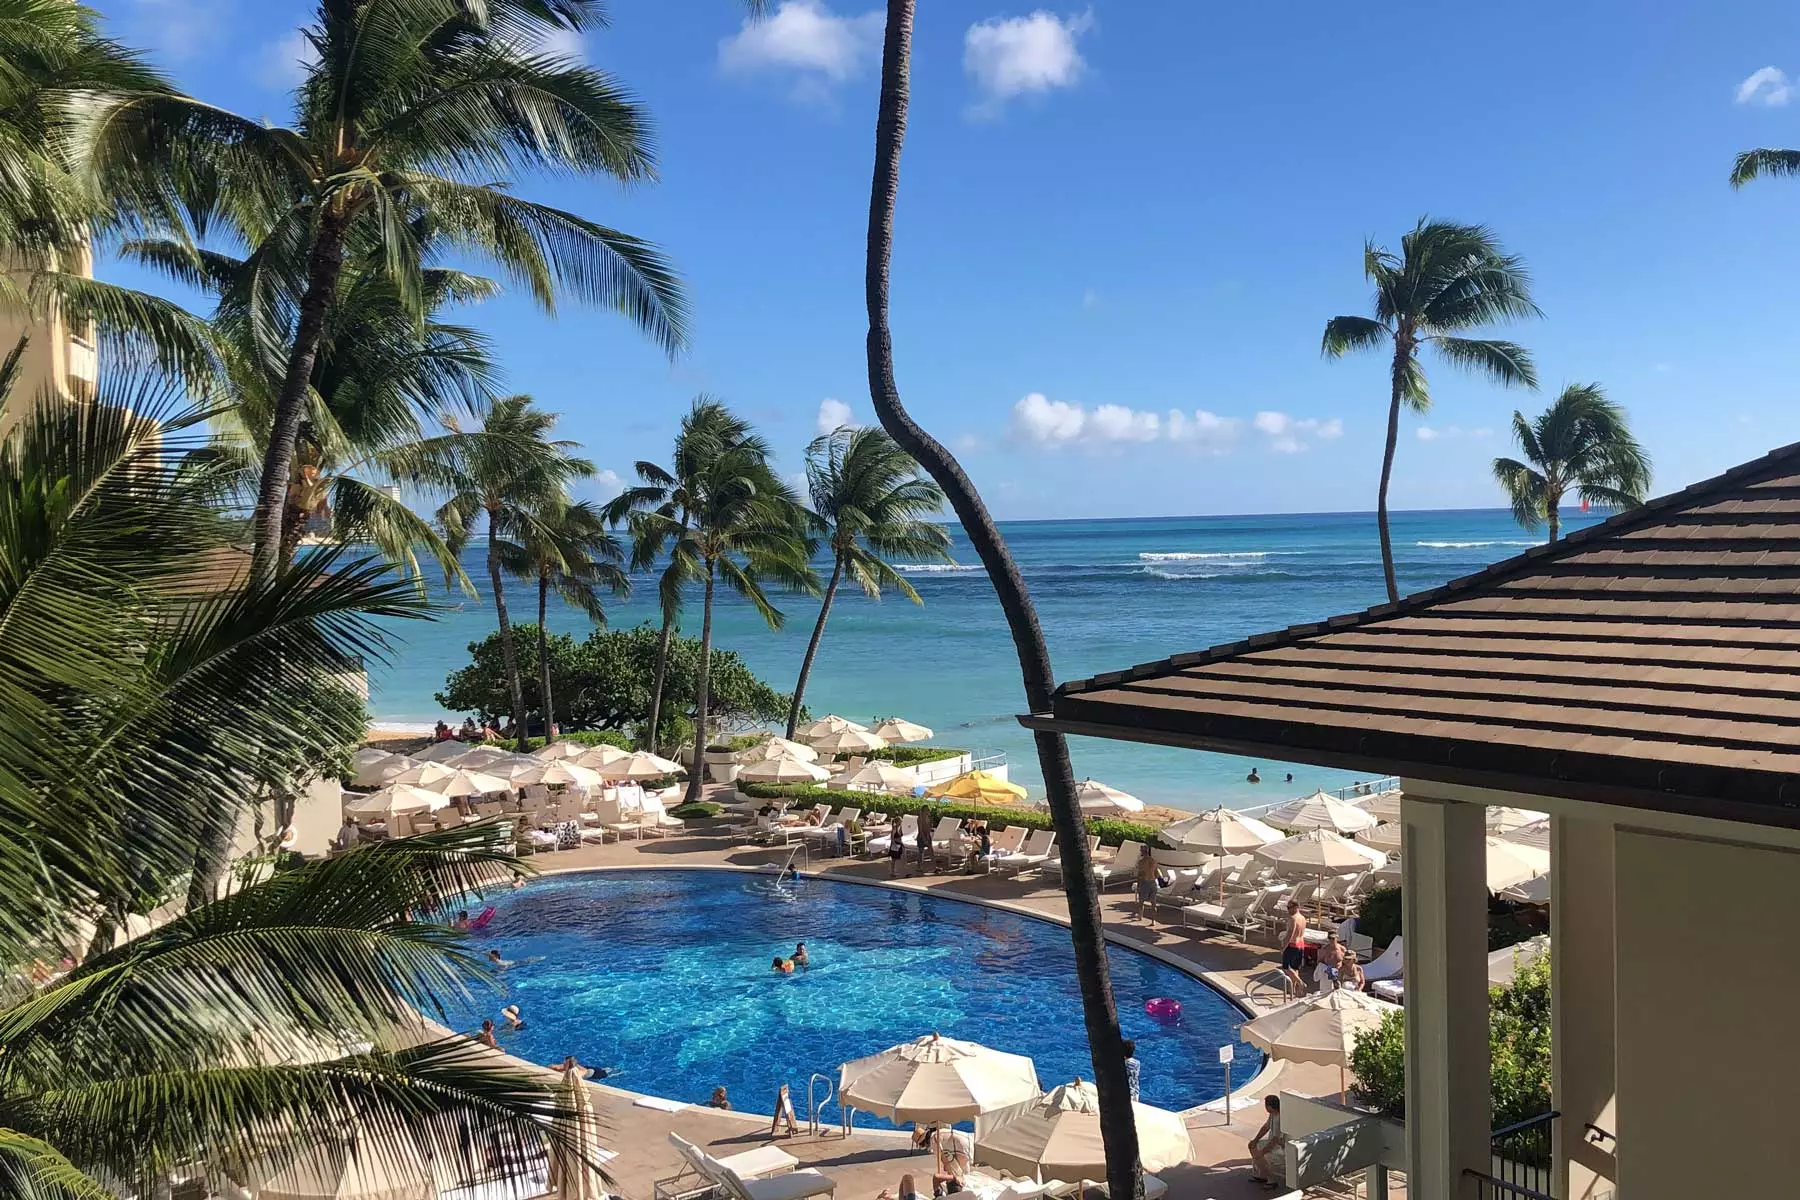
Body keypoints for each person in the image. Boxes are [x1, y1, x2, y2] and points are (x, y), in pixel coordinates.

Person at [1248, 1094, 1285, 1185]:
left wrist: (1264, 1151)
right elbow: (1266, 1127)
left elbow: (1276, 1139)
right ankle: (1261, 1174)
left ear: (1269, 1106)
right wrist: (1255, 1140)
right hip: (1273, 1142)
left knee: (1259, 1155)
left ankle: (1271, 1179)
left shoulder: (1280, 1118)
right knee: (1252, 1145)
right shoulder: (1272, 1114)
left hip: (1280, 1146)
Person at [1280, 901, 1308, 997]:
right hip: (1301, 945)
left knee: (1286, 967)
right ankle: (1293, 990)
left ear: (1296, 907)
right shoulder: (1303, 918)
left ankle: (1300, 982)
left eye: (1290, 907)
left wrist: (1283, 947)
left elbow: (1289, 934)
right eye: (1287, 908)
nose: (1288, 910)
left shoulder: (1293, 919)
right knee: (1295, 968)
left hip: (1292, 945)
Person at [1134, 843, 1160, 926]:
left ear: (1142, 851)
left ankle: (1140, 916)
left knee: (1141, 901)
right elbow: (1157, 874)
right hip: (1153, 883)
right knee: (1153, 903)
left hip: (1145, 883)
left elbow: (1140, 875)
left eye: (1141, 850)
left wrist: (1138, 886)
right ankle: (1153, 921)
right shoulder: (1154, 861)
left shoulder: (1141, 862)